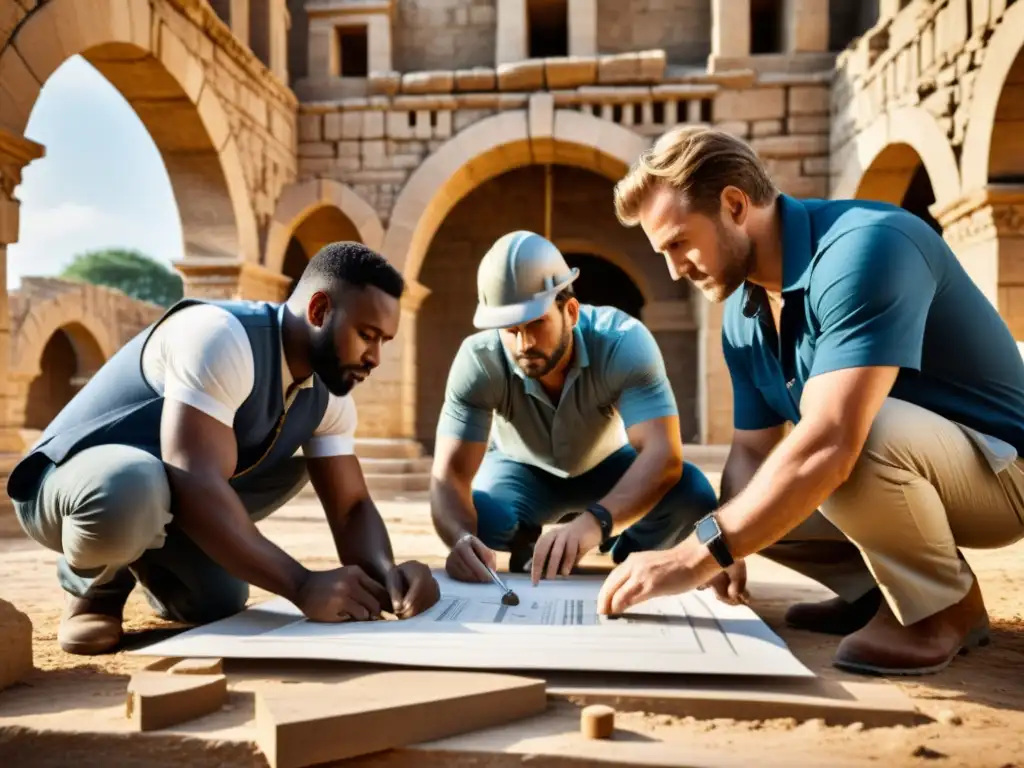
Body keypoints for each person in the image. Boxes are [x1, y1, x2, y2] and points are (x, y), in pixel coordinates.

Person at [599, 124, 1024, 676]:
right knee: (750, 499)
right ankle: (880, 595)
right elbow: (751, 452)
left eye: (679, 242)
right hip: (917, 470)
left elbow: (831, 440)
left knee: (845, 438)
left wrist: (693, 555)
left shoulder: (865, 247)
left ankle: (940, 609)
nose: (674, 268)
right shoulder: (743, 311)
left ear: (733, 204)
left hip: (1003, 476)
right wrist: (729, 550)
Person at [7, 242, 440, 655]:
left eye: (384, 341)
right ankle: (94, 587)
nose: (375, 357)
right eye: (368, 335)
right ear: (320, 310)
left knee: (218, 600)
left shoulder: (329, 392)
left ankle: (141, 559)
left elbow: (351, 506)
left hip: (164, 497)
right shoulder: (222, 337)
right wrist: (302, 584)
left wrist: (388, 577)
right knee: (130, 487)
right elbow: (195, 480)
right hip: (65, 488)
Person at [429, 230, 718, 587]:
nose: (524, 343)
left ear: (570, 311)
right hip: (519, 471)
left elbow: (663, 455)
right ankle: (531, 546)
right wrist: (459, 539)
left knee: (693, 495)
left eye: (537, 323)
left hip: (609, 466)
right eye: (510, 329)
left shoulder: (623, 342)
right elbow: (449, 476)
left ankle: (631, 551)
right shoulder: (478, 361)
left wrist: (594, 522)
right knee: (480, 517)